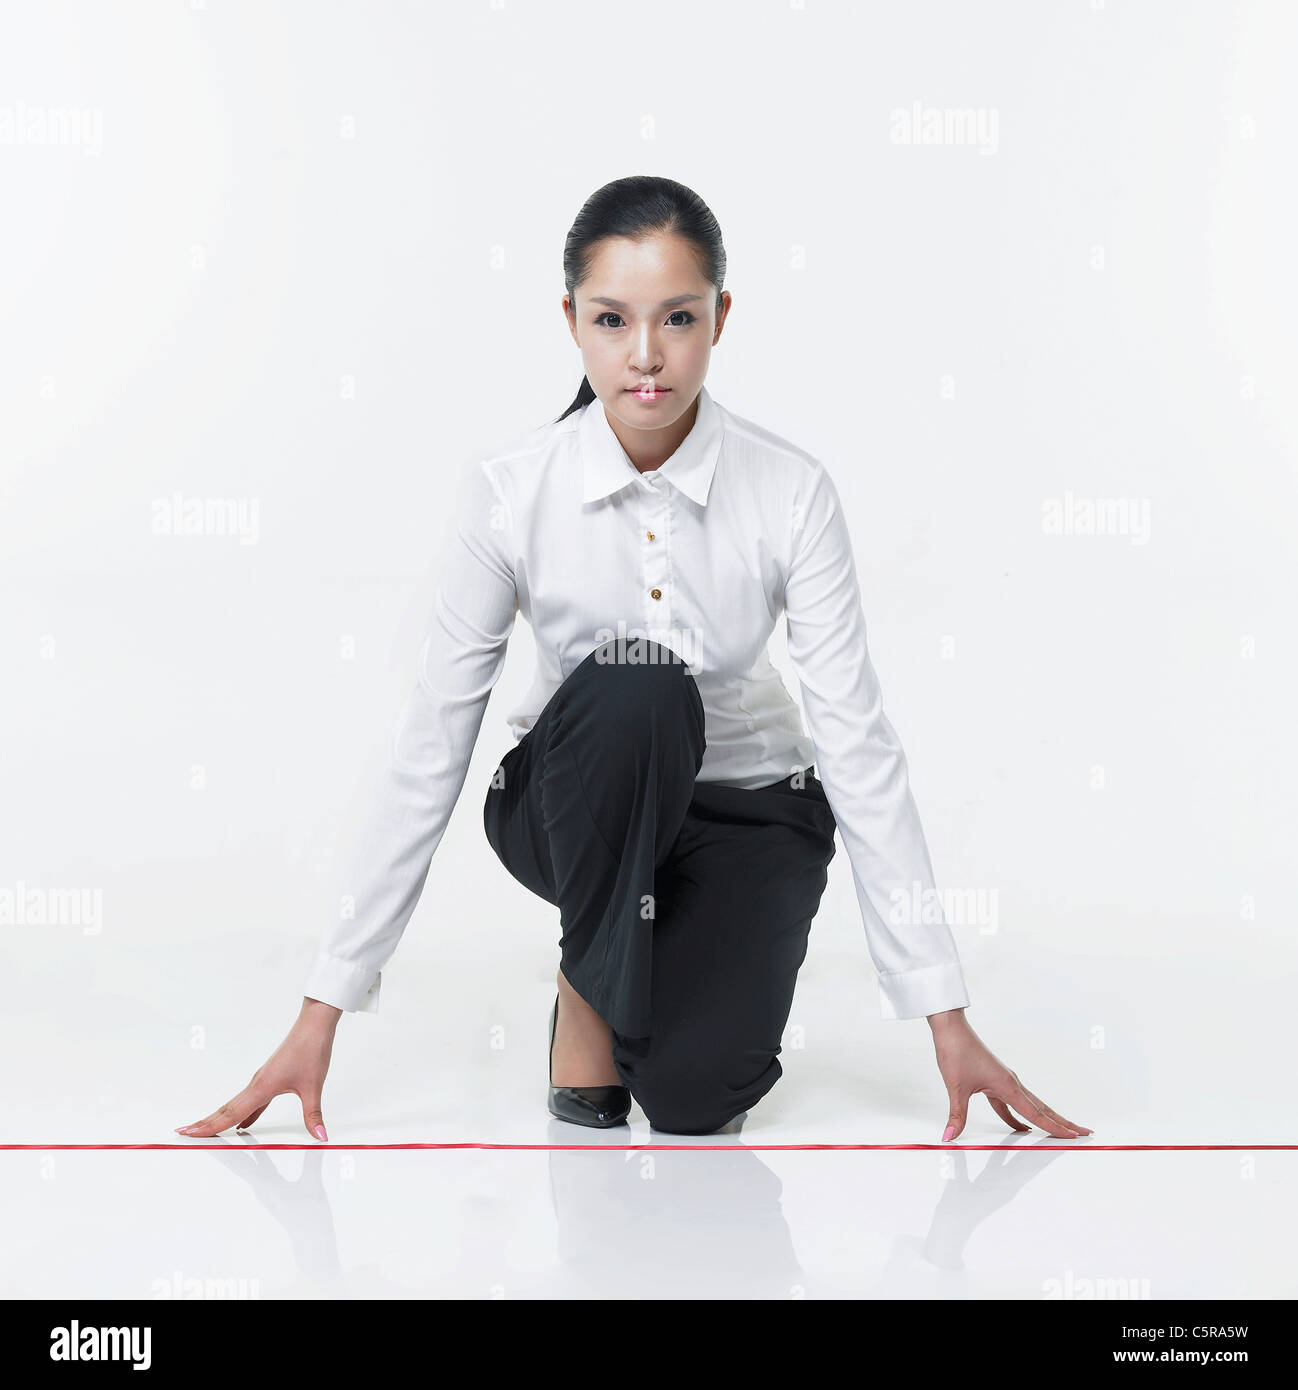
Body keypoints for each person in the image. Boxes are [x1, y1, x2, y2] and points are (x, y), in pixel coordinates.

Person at [176, 176, 1091, 1143]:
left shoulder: (791, 491)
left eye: (678, 319)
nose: (646, 355)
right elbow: (433, 741)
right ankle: (589, 980)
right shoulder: (513, 493)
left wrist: (944, 1014)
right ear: (571, 321)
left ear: (721, 318)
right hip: (575, 805)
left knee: (698, 1101)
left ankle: (638, 968)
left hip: (748, 810)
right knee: (637, 681)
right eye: (612, 320)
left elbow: (856, 742)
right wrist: (324, 1007)